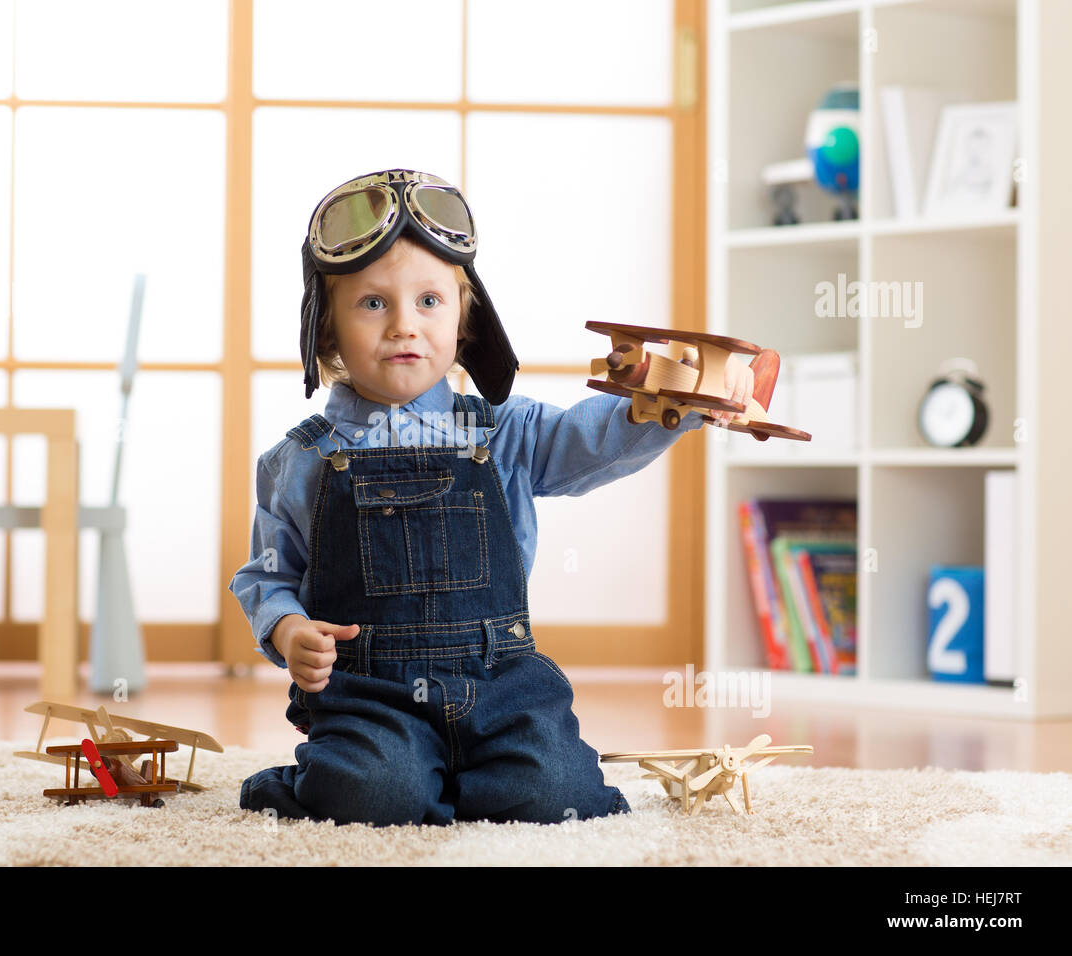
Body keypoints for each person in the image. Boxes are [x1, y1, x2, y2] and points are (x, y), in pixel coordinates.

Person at [228, 169, 753, 826]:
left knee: (556, 790)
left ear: (463, 319)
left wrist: (657, 408)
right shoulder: (298, 458)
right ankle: (327, 781)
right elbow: (267, 575)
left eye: (428, 301)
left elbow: (585, 442)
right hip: (369, 693)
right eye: (371, 304)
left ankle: (455, 776)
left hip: (503, 683)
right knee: (370, 794)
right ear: (326, 329)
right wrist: (288, 627)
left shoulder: (503, 430)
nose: (403, 326)